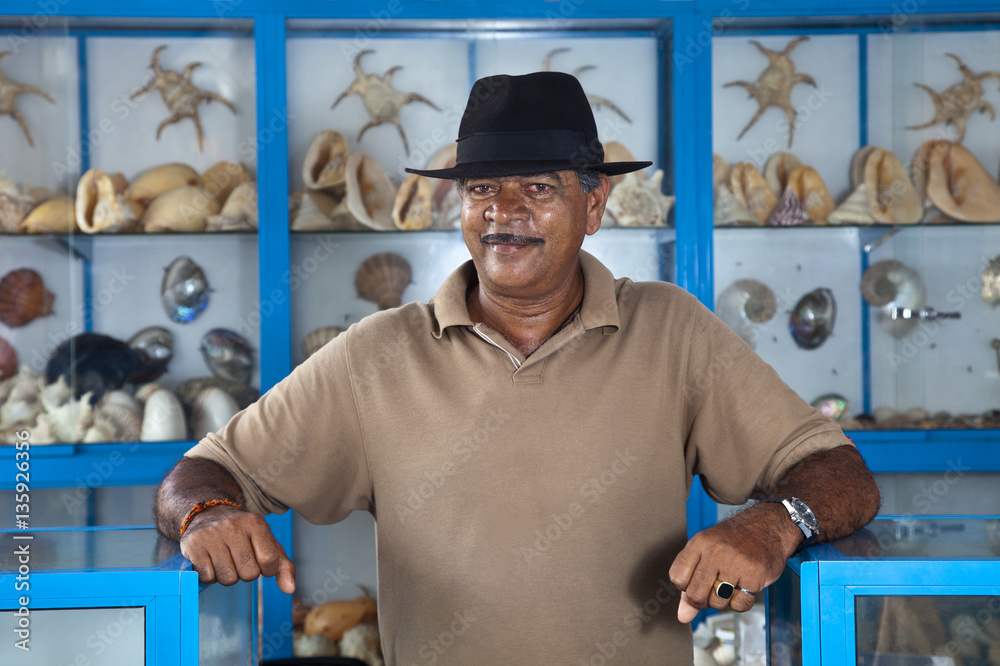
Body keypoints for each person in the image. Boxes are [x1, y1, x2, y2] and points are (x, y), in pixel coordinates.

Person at [155, 71, 880, 664]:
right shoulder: (377, 352)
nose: (503, 211)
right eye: (481, 188)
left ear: (594, 203)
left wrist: (771, 523)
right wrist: (207, 513)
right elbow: (197, 474)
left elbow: (841, 474)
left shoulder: (671, 329)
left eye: (537, 186)